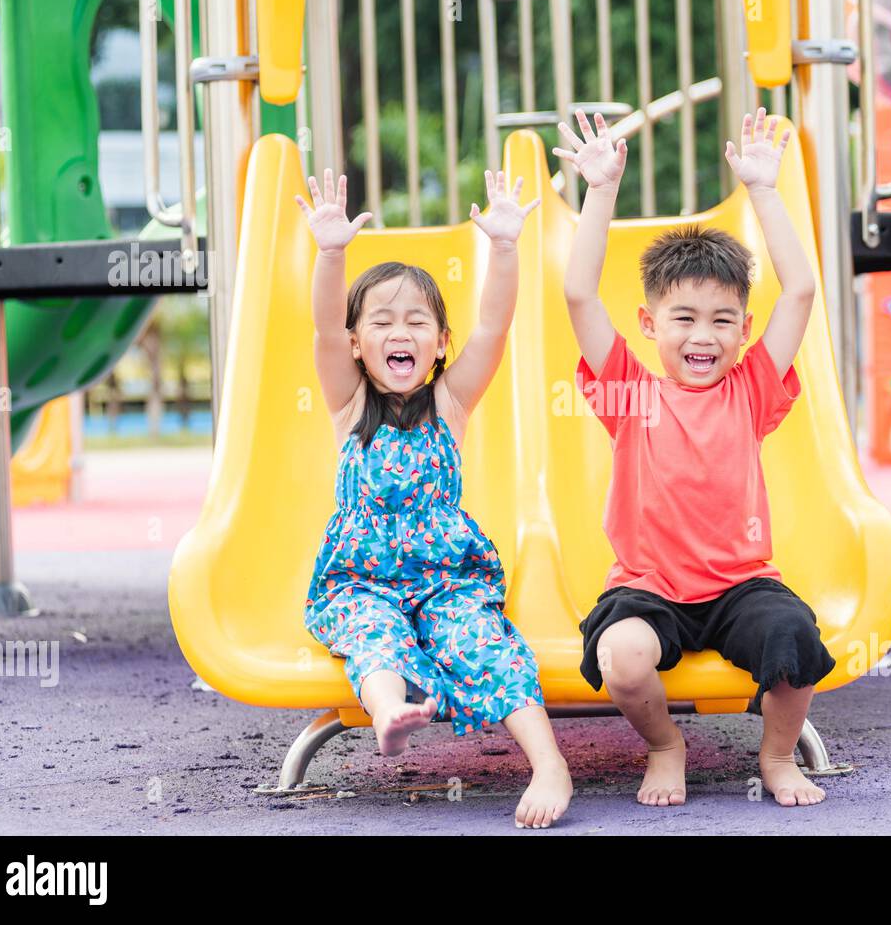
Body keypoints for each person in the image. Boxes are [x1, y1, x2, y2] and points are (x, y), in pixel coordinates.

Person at [553, 108, 836, 807]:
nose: (703, 335)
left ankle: (775, 756)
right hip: (650, 590)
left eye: (722, 319)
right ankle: (665, 743)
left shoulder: (751, 389)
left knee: (796, 643)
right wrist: (601, 189)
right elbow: (579, 292)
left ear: (743, 328)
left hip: (741, 585)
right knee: (622, 658)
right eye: (684, 318)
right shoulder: (631, 394)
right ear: (650, 325)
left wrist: (765, 191)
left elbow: (799, 291)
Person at [297, 168, 571, 828]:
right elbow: (324, 331)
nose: (401, 331)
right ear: (359, 345)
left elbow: (494, 329)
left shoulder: (450, 404)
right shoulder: (349, 402)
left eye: (418, 321)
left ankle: (549, 762)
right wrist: (331, 254)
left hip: (447, 577)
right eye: (382, 321)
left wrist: (504, 248)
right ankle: (390, 710)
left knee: (483, 640)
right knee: (374, 636)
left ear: (440, 344)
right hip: (362, 581)